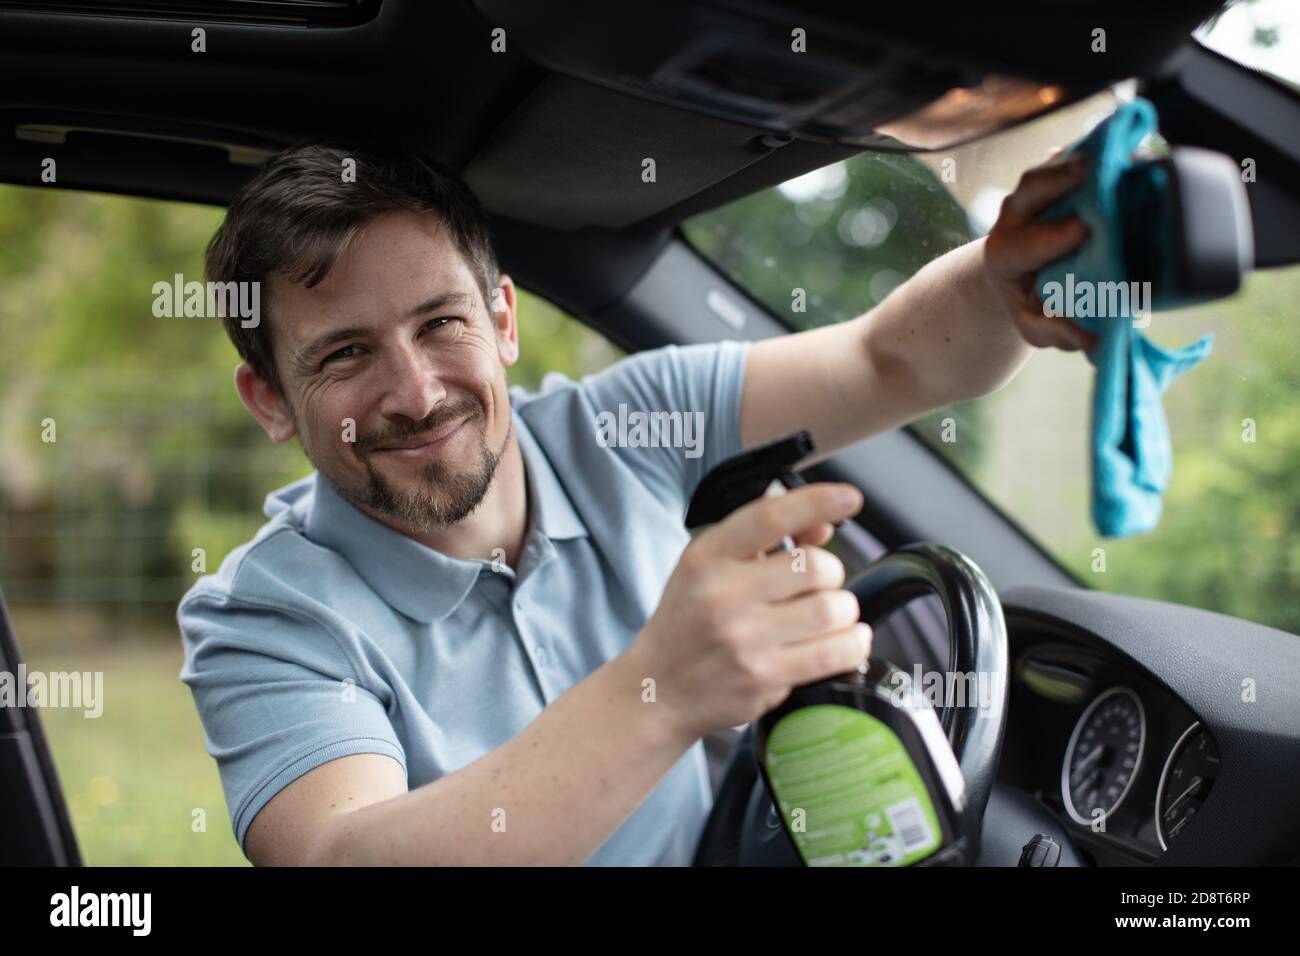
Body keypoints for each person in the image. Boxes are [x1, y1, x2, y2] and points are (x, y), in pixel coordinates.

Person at [177, 142, 1092, 866]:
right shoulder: (261, 619)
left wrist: (1007, 276)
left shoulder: (628, 424)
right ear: (269, 401)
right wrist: (665, 692)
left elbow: (888, 360)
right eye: (344, 355)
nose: (416, 393)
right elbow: (344, 858)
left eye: (440, 323)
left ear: (501, 320)